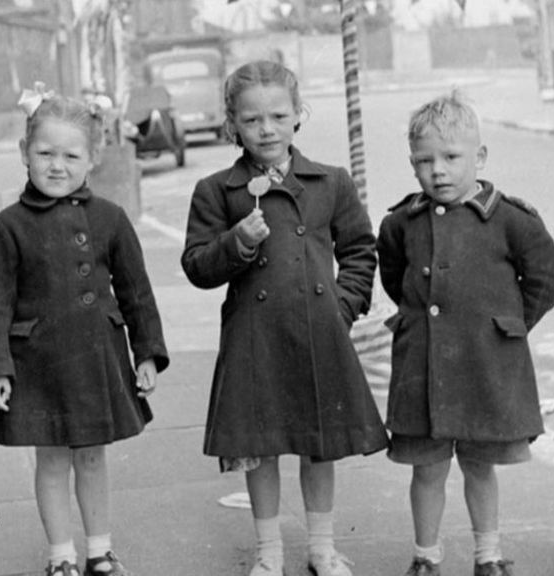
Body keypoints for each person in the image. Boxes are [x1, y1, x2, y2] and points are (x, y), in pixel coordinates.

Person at [181, 60, 388, 576]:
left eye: (278, 116)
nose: (267, 129)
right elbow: (198, 266)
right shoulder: (217, 190)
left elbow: (360, 251)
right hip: (254, 336)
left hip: (318, 332)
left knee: (320, 444)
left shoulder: (330, 182)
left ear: (298, 115)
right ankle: (269, 551)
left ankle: (321, 547)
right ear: (232, 124)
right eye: (252, 120)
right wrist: (237, 242)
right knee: (260, 447)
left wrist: (341, 307)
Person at [0, 84, 169, 576]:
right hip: (38, 363)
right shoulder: (9, 226)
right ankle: (60, 555)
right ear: (24, 152)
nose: (57, 166)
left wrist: (146, 352)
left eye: (71, 155)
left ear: (93, 158)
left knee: (92, 457)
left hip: (96, 357)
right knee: (52, 460)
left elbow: (137, 292)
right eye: (45, 154)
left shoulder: (110, 219)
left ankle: (99, 550)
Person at [376, 91, 554, 576]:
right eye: (424, 161)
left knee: (480, 466)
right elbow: (395, 278)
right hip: (423, 368)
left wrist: (506, 326)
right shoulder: (400, 224)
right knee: (428, 468)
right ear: (412, 164)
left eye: (451, 157)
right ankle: (426, 557)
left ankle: (488, 555)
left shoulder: (511, 220)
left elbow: (545, 280)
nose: (437, 171)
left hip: (485, 364)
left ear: (479, 157)